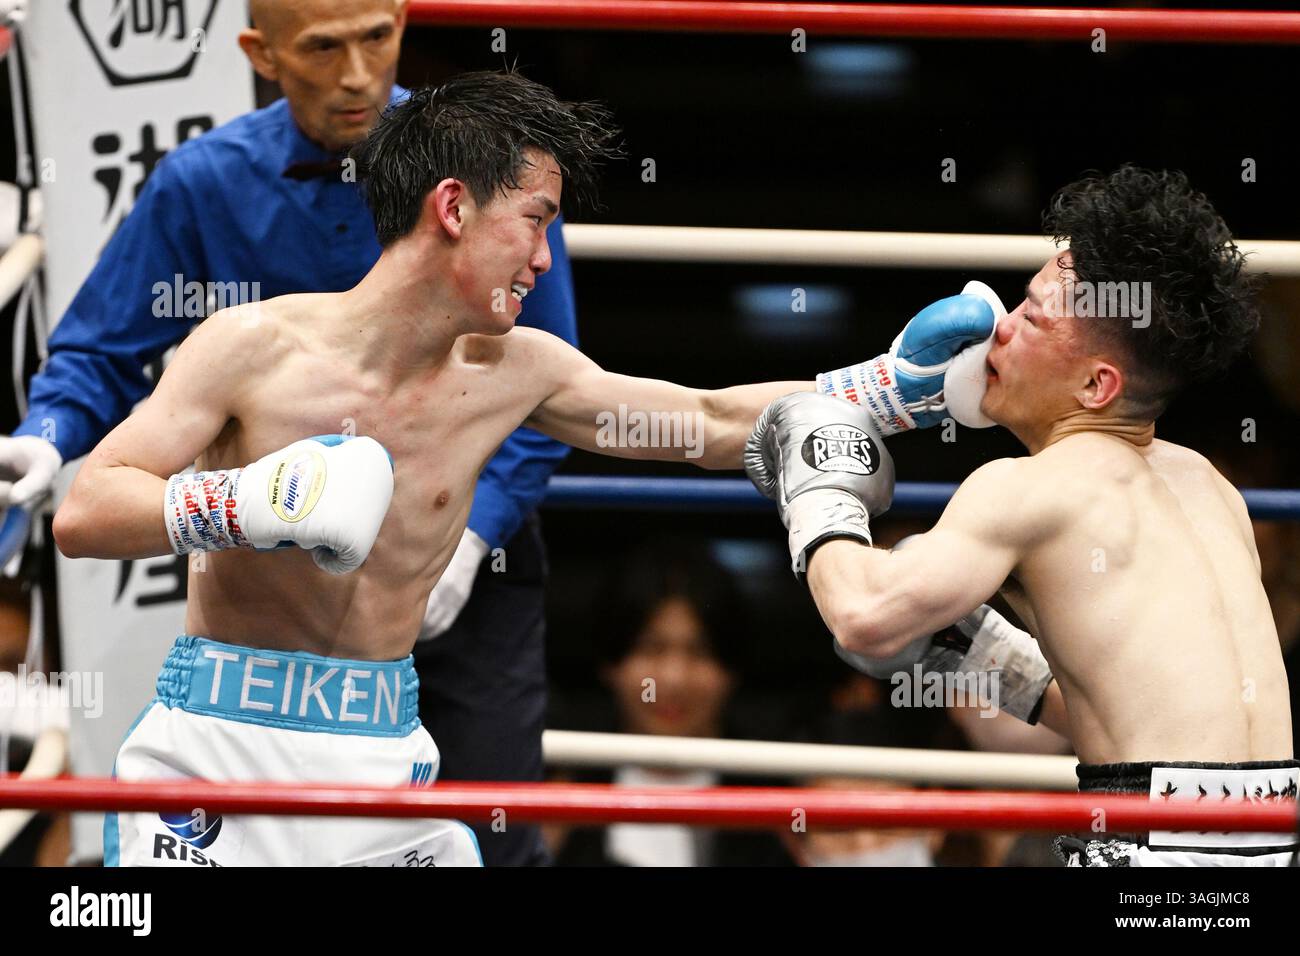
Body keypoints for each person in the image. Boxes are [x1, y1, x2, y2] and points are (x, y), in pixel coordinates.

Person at [0, 0, 579, 864]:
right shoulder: (205, 182)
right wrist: (47, 435)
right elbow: (100, 344)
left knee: (492, 832)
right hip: (274, 594)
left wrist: (474, 537)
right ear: (259, 53)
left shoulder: (490, 176)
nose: (356, 74)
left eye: (377, 37)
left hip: (455, 556)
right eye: (322, 46)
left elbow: (548, 379)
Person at [747, 165, 1298, 866]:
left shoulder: (1028, 486)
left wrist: (820, 482)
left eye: (1032, 318)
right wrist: (990, 657)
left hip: (1152, 872)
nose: (996, 328)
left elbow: (863, 615)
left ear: (1098, 384)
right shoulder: (1210, 487)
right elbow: (1154, 723)